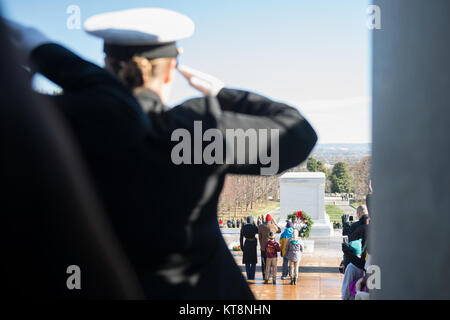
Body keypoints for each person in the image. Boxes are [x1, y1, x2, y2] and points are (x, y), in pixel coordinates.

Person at [9, 7, 317, 299]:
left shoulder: (63, 126)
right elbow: (299, 133)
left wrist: (40, 51)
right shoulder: (196, 129)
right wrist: (222, 94)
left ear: (106, 67)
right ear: (170, 70)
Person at [258, 214, 282, 280]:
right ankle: (270, 275)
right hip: (272, 247)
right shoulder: (273, 226)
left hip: (263, 246)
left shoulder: (261, 226)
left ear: (265, 219)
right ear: (270, 220)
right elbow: (279, 230)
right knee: (271, 262)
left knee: (264, 262)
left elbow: (259, 237)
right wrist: (275, 223)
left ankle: (264, 275)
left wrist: (261, 245)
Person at [240, 216, 259, 280]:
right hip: (253, 244)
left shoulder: (243, 227)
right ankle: (252, 276)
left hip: (246, 244)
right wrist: (255, 224)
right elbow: (258, 231)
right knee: (253, 262)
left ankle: (248, 276)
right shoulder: (254, 227)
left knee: (247, 262)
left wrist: (242, 247)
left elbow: (241, 238)